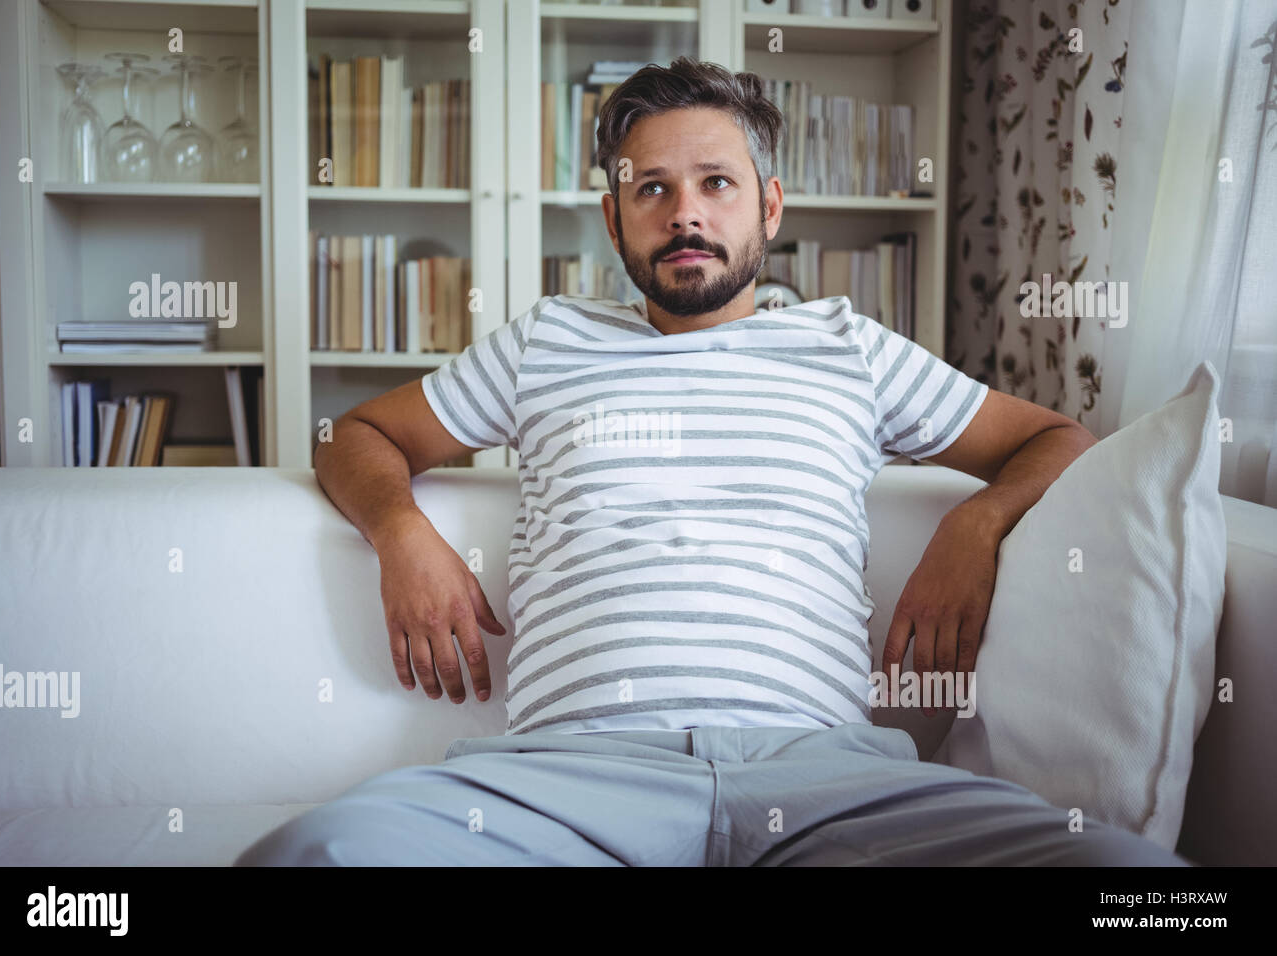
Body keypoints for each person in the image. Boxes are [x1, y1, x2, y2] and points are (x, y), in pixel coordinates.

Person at [236, 57, 1189, 866]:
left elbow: (1057, 439)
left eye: (716, 184)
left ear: (768, 207)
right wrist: (401, 533)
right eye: (651, 188)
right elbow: (349, 436)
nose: (684, 213)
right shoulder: (547, 342)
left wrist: (974, 524)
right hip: (568, 781)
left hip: (828, 781)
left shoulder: (845, 347)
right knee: (312, 853)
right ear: (614, 220)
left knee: (1140, 884)